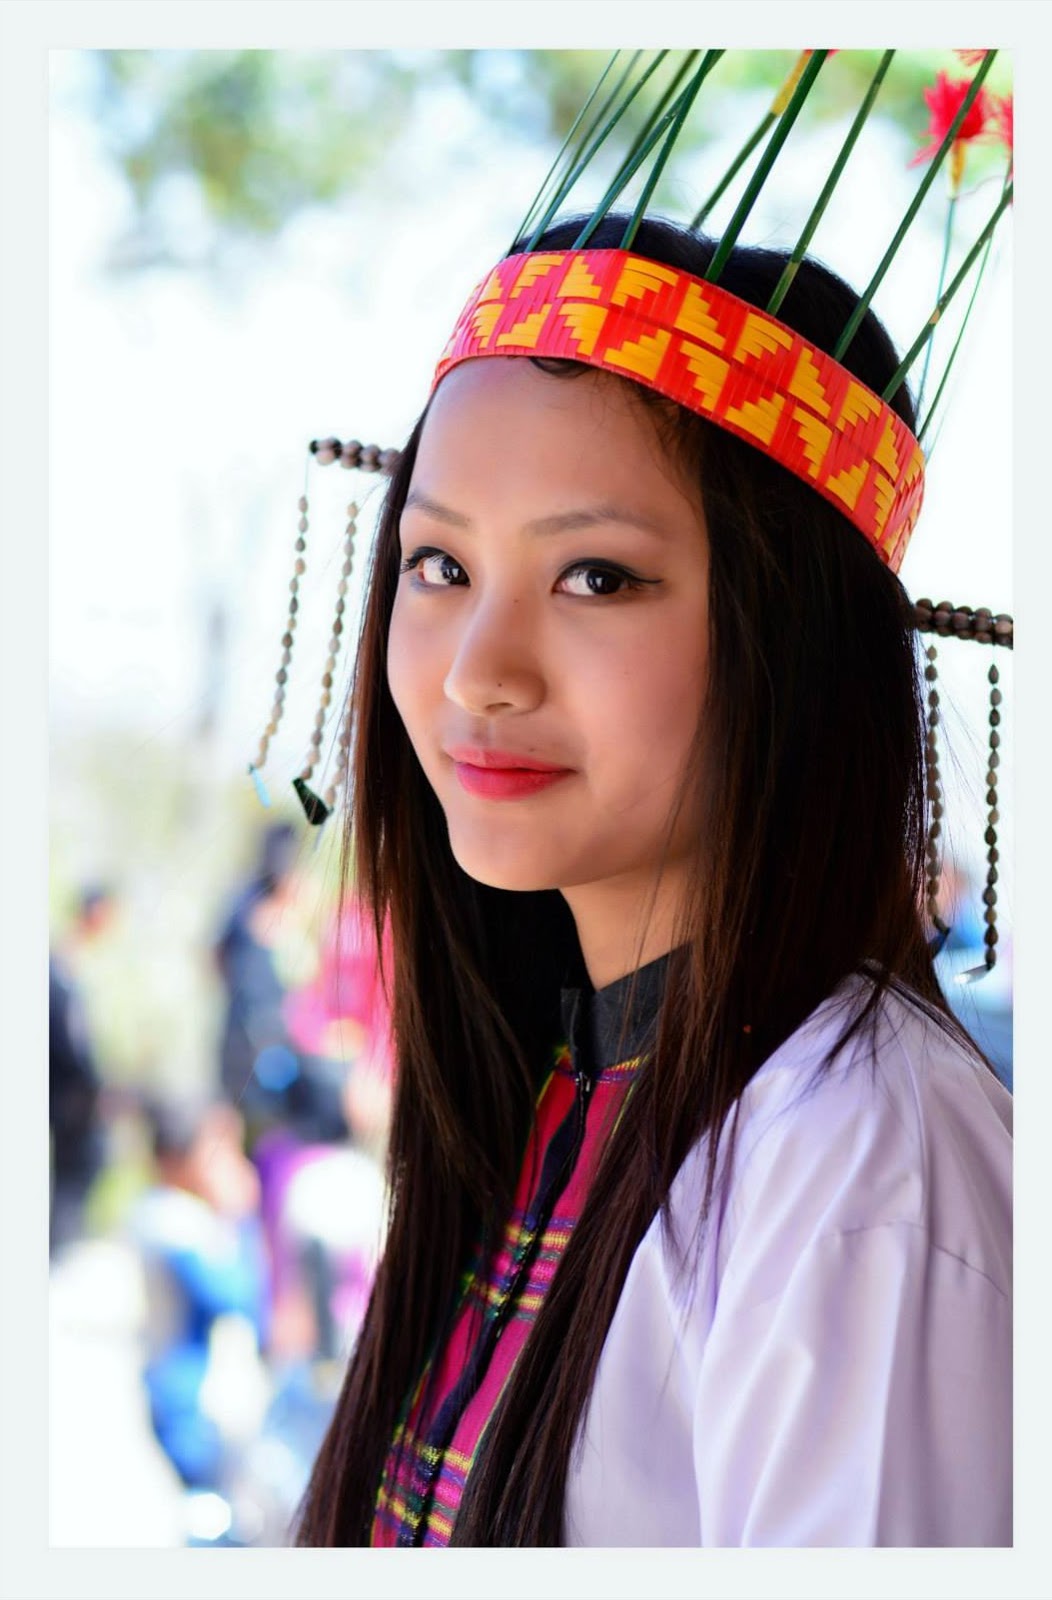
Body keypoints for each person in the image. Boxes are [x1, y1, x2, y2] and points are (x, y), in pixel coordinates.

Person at [292, 210, 1011, 1547]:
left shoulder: (857, 1158)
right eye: (441, 565)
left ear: (787, 642)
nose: (476, 672)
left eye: (597, 576)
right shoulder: (549, 1078)